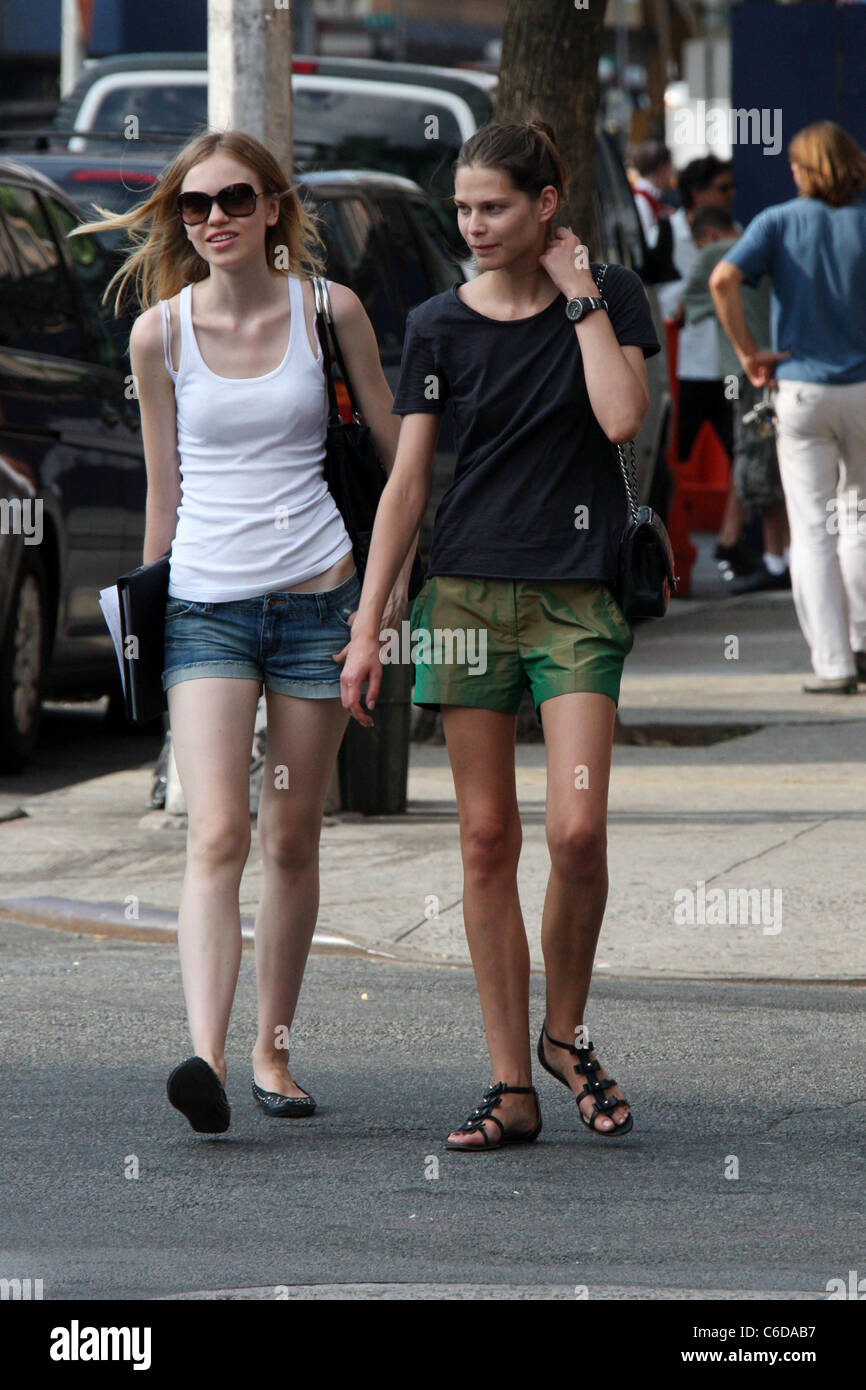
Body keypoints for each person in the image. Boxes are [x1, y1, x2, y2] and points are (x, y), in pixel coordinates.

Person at [72, 130, 411, 1131]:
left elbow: (400, 465)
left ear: (273, 207)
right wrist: (142, 615)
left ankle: (275, 1048)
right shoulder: (160, 335)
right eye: (191, 204)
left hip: (318, 602)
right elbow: (162, 495)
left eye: (231, 199)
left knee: (292, 837)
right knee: (216, 829)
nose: (210, 218)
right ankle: (206, 1057)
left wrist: (380, 605)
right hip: (205, 609)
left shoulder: (328, 311)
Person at [341, 120, 659, 1149]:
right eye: (464, 208)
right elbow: (408, 483)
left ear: (546, 204)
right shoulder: (435, 323)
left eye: (494, 207)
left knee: (574, 831)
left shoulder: (607, 298)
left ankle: (563, 1032)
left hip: (576, 596)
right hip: (465, 601)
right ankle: (509, 1082)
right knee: (485, 839)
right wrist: (367, 619)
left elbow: (620, 419)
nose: (473, 225)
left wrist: (576, 301)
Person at [710, 121, 866, 693]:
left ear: (804, 170)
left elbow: (724, 279)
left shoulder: (778, 221)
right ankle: (863, 640)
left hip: (800, 390)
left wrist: (750, 355)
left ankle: (833, 665)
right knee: (860, 519)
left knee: (812, 527)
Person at [656, 157, 756, 580]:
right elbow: (657, 296)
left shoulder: (742, 235)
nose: (731, 195)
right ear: (697, 192)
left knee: (743, 455)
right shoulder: (665, 232)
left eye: (733, 187)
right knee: (668, 459)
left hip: (728, 368)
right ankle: (667, 551)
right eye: (723, 187)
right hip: (684, 369)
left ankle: (731, 543)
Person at [682, 206, 790, 593]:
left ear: (707, 235)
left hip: (751, 372)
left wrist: (742, 345)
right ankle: (776, 555)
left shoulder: (719, 254)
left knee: (759, 459)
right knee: (775, 459)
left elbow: (687, 303)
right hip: (787, 367)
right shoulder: (768, 243)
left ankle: (777, 559)